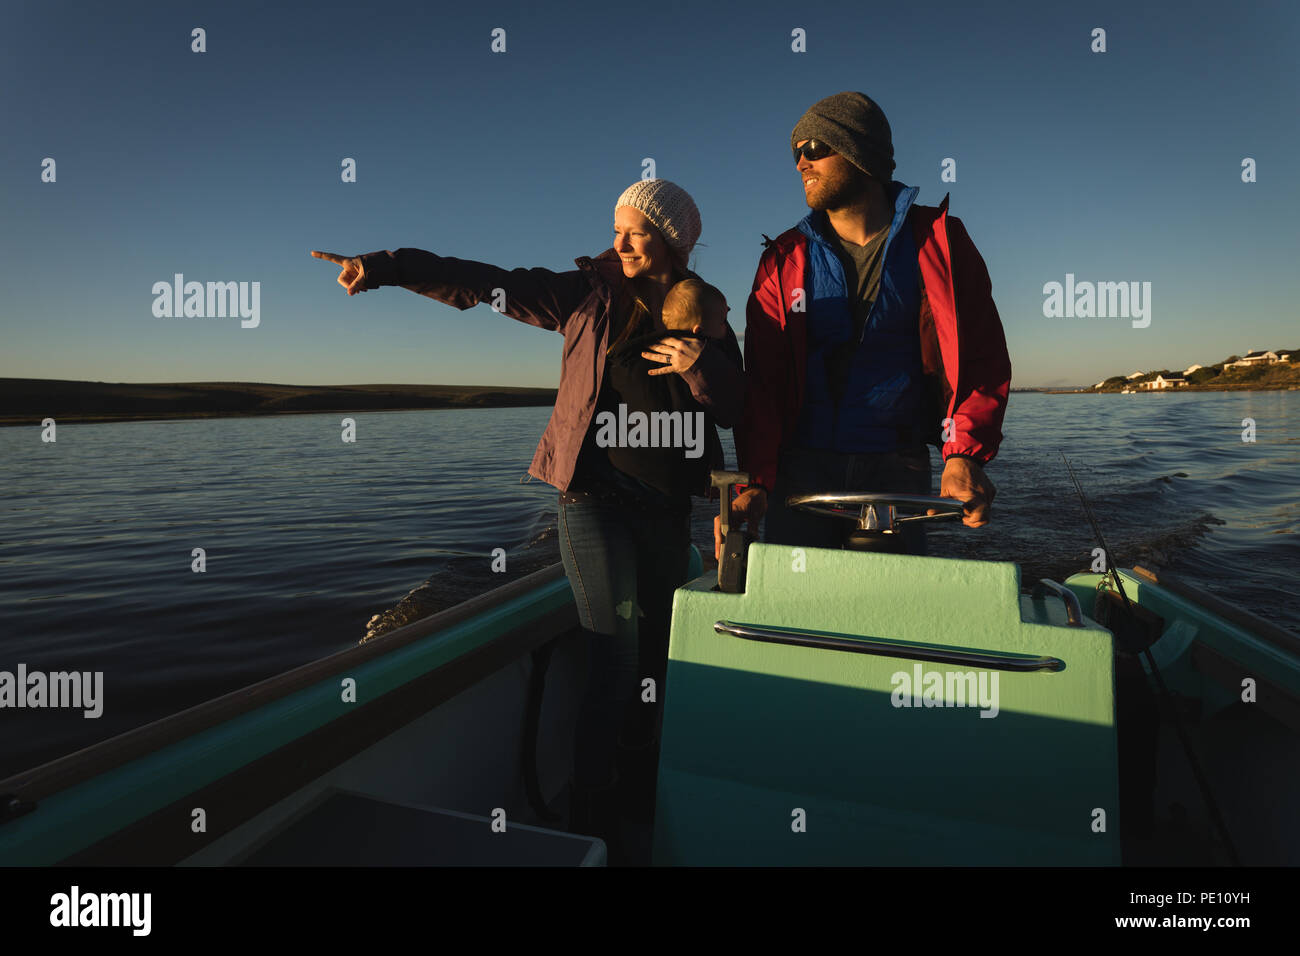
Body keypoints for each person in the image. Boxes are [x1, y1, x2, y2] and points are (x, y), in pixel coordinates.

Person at [312, 179, 743, 863]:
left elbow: (734, 408)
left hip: (667, 511)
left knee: (658, 660)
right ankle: (592, 818)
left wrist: (701, 366)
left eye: (635, 229)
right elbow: (485, 282)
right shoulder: (587, 294)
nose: (621, 240)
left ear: (672, 238)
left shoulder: (707, 308)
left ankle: (639, 794)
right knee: (617, 657)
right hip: (593, 502)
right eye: (617, 227)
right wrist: (389, 268)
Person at [718, 92, 1011, 558]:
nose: (800, 163)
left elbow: (978, 357)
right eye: (796, 152)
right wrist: (755, 482)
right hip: (801, 472)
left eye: (814, 147)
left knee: (887, 614)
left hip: (896, 469)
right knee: (800, 611)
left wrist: (961, 456)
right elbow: (765, 384)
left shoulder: (938, 242)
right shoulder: (782, 259)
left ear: (861, 154)